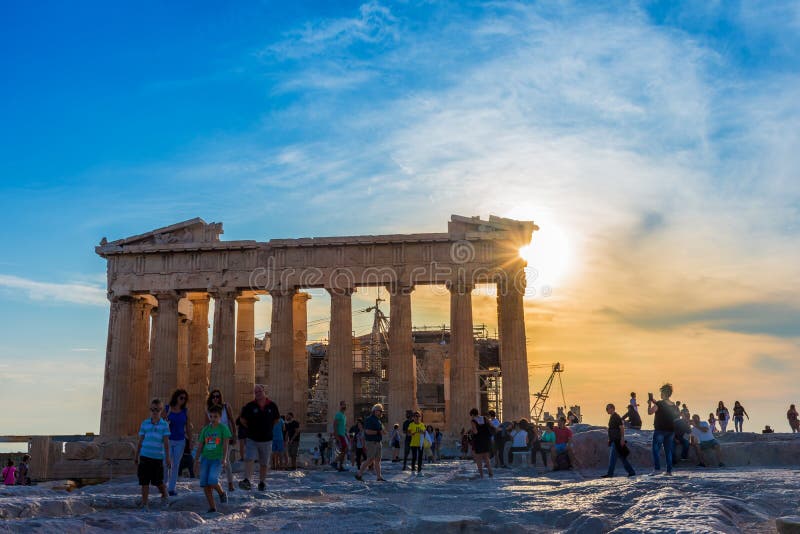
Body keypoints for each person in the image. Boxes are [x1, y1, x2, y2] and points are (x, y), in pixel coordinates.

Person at [239, 384, 280, 491]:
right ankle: (247, 480)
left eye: (259, 391)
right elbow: (242, 420)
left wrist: (267, 427)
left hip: (266, 439)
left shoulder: (272, 405)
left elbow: (276, 420)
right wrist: (251, 428)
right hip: (252, 438)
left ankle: (262, 482)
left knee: (264, 462)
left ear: (264, 391)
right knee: (249, 458)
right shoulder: (250, 406)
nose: (257, 394)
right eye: (255, 392)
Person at [135, 398, 171, 507]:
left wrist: (168, 458)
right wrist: (136, 455)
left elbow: (166, 443)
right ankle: (144, 503)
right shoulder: (145, 423)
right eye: (153, 410)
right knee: (144, 480)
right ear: (150, 410)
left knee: (157, 481)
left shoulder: (164, 425)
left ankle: (165, 494)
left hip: (157, 457)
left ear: (161, 410)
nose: (155, 412)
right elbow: (140, 440)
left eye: (157, 410)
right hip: (145, 455)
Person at [195, 404, 231, 513]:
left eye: (215, 416)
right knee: (205, 483)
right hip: (205, 459)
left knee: (212, 480)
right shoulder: (205, 430)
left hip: (217, 459)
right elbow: (200, 445)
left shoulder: (223, 428)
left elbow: (225, 445)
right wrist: (196, 460)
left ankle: (221, 493)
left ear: (220, 417)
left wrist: (224, 459)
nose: (213, 419)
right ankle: (212, 507)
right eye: (211, 416)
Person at [205, 389, 236, 492]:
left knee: (225, 460)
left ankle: (230, 484)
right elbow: (206, 425)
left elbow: (232, 420)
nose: (215, 398)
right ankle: (214, 483)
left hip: (225, 436)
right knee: (214, 459)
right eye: (213, 396)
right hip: (213, 437)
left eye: (217, 396)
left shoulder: (226, 407)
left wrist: (234, 435)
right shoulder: (208, 409)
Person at [163, 389, 190, 496]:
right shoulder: (167, 408)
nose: (183, 400)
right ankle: (164, 486)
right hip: (168, 439)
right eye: (181, 398)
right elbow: (160, 422)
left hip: (180, 440)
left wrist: (190, 440)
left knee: (176, 464)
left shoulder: (185, 411)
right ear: (176, 397)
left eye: (185, 399)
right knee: (166, 463)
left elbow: (187, 426)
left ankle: (171, 488)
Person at [647, 383, 677, 475]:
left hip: (660, 430)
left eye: (661, 392)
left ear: (663, 393)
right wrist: (654, 402)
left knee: (656, 449)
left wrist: (649, 404)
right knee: (668, 451)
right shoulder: (673, 405)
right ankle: (669, 471)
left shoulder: (659, 403)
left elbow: (650, 412)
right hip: (671, 431)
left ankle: (657, 469)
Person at [602, 403, 635, 478]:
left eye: (608, 408)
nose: (606, 410)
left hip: (617, 440)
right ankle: (631, 472)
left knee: (613, 458)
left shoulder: (616, 417)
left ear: (612, 408)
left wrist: (622, 439)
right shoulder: (612, 417)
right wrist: (610, 439)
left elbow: (621, 428)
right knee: (621, 458)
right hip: (614, 440)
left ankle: (610, 474)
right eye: (606, 409)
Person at [355, 404, 386, 481]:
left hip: (378, 442)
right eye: (380, 411)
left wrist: (383, 432)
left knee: (377, 460)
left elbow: (381, 430)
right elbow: (367, 431)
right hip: (372, 442)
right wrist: (378, 432)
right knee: (370, 459)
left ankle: (379, 477)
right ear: (375, 411)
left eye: (381, 411)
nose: (381, 412)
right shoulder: (369, 419)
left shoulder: (378, 420)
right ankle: (359, 474)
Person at [470, 409, 493, 478]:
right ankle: (490, 473)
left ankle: (482, 475)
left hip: (478, 440)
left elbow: (475, 432)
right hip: (486, 440)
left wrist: (471, 431)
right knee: (486, 457)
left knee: (478, 458)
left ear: (472, 415)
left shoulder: (473, 421)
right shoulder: (485, 418)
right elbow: (491, 426)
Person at [332, 400, 348, 472]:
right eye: (343, 405)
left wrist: (346, 434)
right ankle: (335, 462)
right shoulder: (338, 414)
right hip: (339, 435)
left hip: (343, 435)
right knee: (344, 449)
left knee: (343, 450)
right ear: (340, 406)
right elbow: (335, 425)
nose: (344, 406)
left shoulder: (344, 416)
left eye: (345, 405)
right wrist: (336, 436)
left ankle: (340, 466)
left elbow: (343, 426)